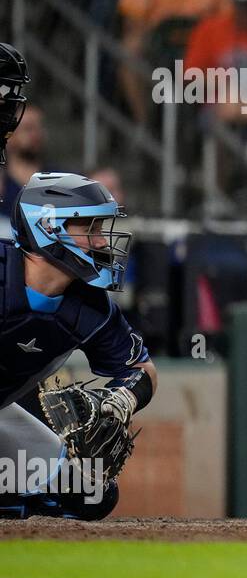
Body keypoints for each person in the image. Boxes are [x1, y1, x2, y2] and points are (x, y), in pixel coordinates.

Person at [0, 173, 157, 520]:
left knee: (91, 494)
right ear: (48, 227)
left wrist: (121, 400)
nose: (102, 241)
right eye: (90, 227)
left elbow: (141, 369)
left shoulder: (91, 307)